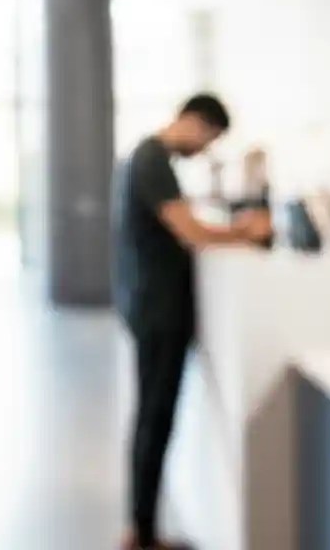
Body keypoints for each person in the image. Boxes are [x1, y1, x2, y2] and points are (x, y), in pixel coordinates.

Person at [114, 94, 272, 550]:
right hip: (159, 313)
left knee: (153, 417)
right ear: (195, 122)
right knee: (154, 418)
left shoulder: (147, 158)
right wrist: (245, 233)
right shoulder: (152, 160)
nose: (204, 150)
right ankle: (141, 533)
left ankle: (141, 528)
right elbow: (193, 233)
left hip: (152, 308)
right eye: (209, 138)